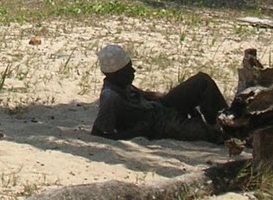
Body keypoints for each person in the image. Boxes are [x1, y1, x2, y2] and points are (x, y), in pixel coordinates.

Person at [91, 43, 228, 143]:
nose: (133, 71)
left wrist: (163, 97)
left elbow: (140, 95)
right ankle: (229, 132)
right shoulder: (110, 96)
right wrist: (138, 132)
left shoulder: (120, 82)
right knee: (205, 132)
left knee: (202, 81)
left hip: (159, 106)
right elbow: (99, 132)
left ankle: (228, 120)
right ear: (116, 74)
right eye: (128, 69)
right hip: (158, 126)